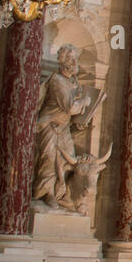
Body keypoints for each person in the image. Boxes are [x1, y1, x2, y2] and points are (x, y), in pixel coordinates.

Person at [33, 44, 93, 210]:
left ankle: (60, 195)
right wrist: (85, 102)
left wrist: (81, 120)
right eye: (69, 58)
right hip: (48, 125)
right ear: (61, 61)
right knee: (49, 161)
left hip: (64, 128)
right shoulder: (57, 80)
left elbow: (72, 113)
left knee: (66, 163)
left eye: (75, 59)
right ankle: (46, 194)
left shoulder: (73, 82)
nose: (74, 62)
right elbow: (70, 107)